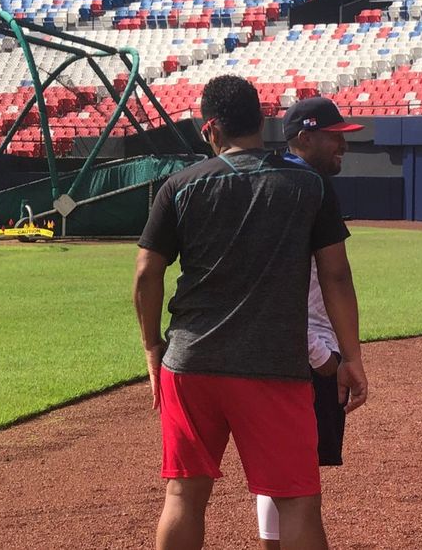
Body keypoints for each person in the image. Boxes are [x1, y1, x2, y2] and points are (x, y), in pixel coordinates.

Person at [133, 75, 368, 550]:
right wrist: (351, 358)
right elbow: (337, 277)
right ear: (260, 122)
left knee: (183, 495)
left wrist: (152, 346)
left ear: (211, 128)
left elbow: (145, 273)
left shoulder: (179, 187)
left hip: (191, 361)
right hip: (273, 368)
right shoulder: (309, 185)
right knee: (298, 502)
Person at [255, 97, 365, 550]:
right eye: (333, 136)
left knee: (279, 469)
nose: (343, 144)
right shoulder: (306, 188)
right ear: (303, 137)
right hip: (302, 352)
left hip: (278, 349)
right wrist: (323, 355)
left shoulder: (270, 180)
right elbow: (284, 284)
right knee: (299, 482)